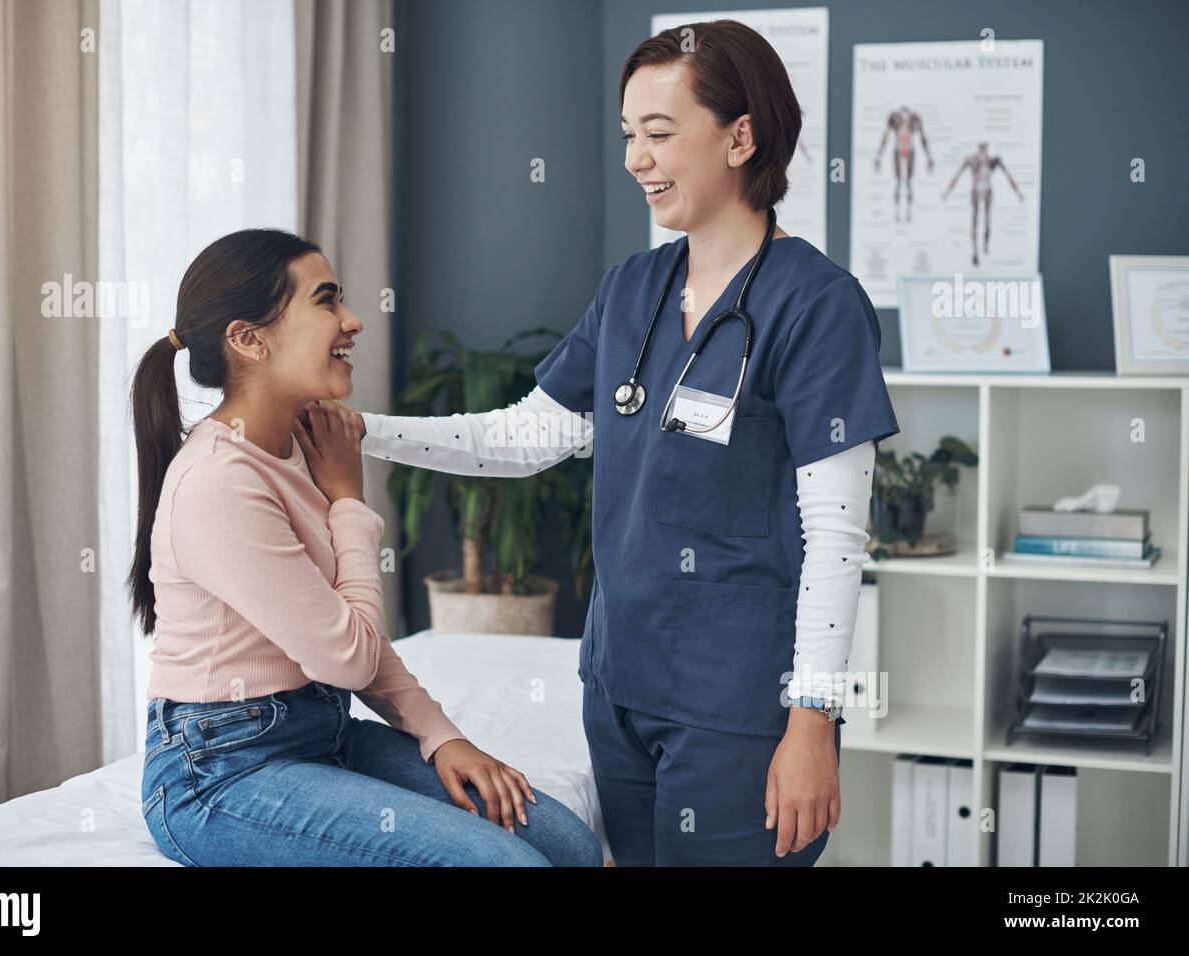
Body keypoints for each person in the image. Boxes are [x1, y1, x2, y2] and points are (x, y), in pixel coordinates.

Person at [333, 20, 900, 866]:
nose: (636, 157)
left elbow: (837, 538)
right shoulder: (633, 287)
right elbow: (526, 436)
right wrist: (361, 432)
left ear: (741, 136)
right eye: (630, 135)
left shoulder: (817, 305)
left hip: (741, 706)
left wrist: (812, 721)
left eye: (660, 134)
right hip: (621, 690)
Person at [128, 228, 603, 867]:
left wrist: (442, 737)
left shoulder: (298, 447)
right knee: (507, 864)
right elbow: (348, 657)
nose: (352, 321)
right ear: (249, 339)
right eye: (326, 302)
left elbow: (350, 642)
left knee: (565, 844)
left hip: (318, 731)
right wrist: (348, 501)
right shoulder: (220, 481)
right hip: (219, 771)